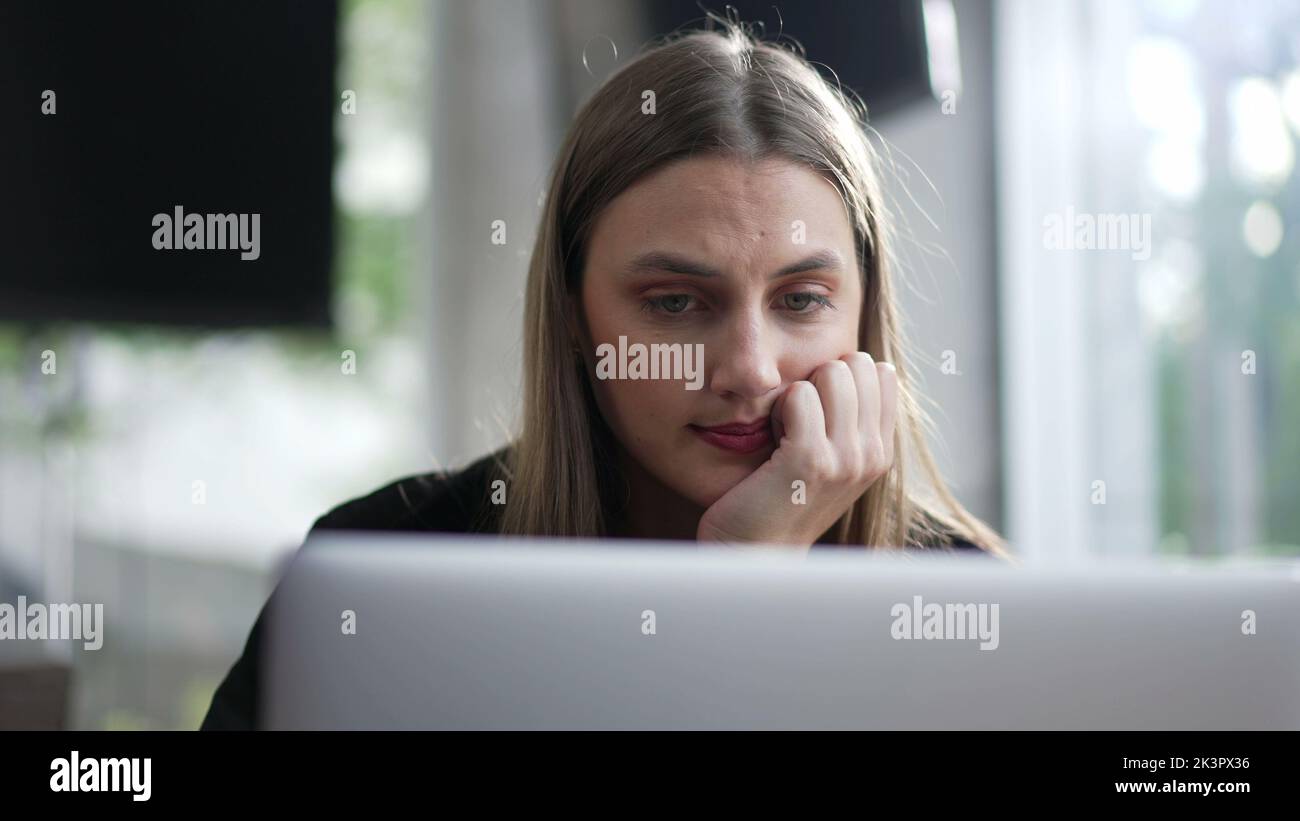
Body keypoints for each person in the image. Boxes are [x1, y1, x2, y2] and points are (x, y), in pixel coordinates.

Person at [201, 17, 1007, 731]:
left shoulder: (963, 609)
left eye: (800, 299)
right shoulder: (383, 574)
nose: (750, 370)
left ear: (864, 317)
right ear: (575, 317)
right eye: (676, 303)